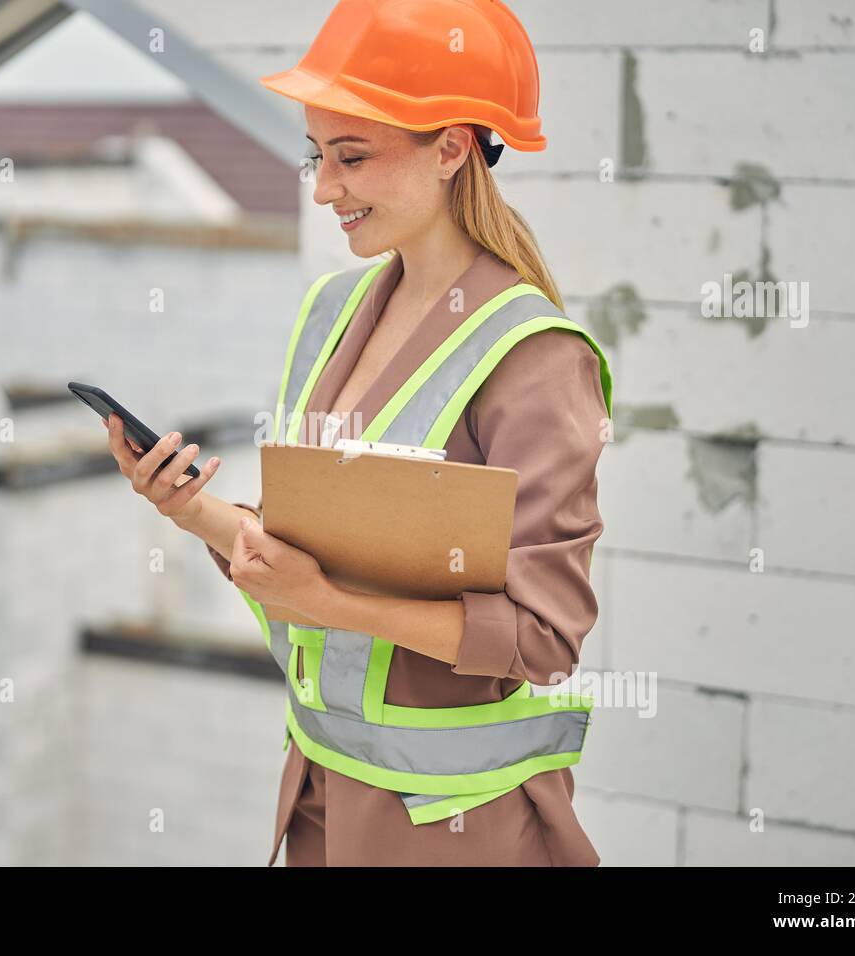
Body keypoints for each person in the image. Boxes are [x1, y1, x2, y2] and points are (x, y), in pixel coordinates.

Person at [99, 0, 611, 866]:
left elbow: (542, 639)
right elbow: (312, 553)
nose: (324, 188)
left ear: (451, 147)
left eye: (352, 156)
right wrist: (191, 512)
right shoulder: (333, 313)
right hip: (318, 795)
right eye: (317, 154)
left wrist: (328, 605)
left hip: (452, 827)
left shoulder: (535, 358)